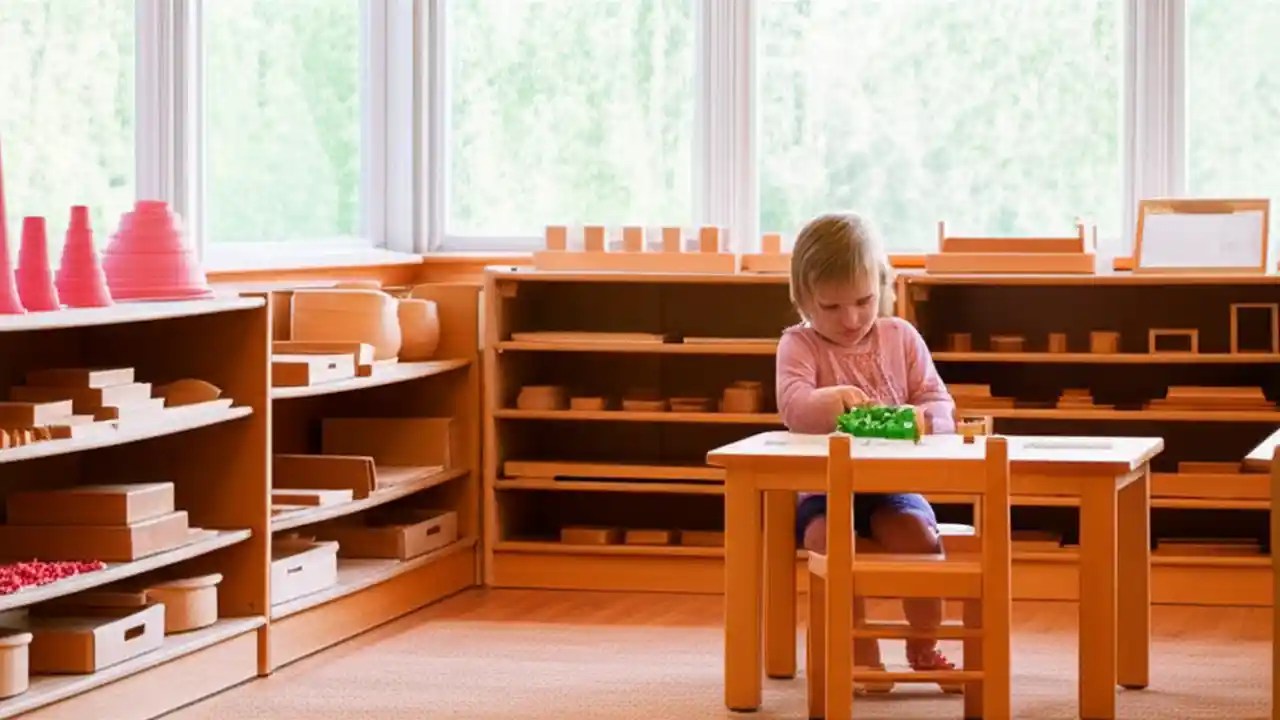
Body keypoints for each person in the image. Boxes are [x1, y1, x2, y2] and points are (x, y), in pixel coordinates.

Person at [775, 211, 958, 693]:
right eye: (832, 307)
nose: (851, 319)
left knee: (919, 538)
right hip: (826, 489)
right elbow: (793, 408)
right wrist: (827, 401)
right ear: (803, 299)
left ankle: (924, 645)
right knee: (831, 547)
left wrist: (927, 419)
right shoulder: (798, 345)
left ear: (884, 284)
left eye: (864, 301)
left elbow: (939, 401)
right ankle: (861, 656)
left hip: (893, 485)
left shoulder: (901, 337)